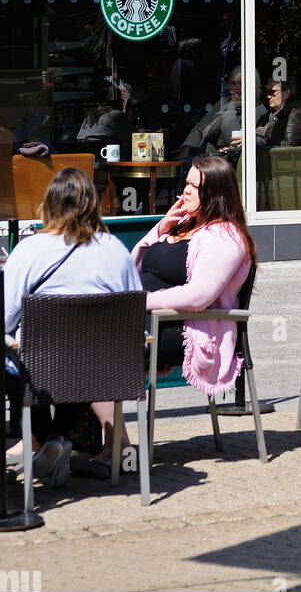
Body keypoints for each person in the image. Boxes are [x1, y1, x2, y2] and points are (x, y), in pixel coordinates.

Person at [3, 167, 143, 487]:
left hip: (38, 371)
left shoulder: (29, 250)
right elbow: (134, 313)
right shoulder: (114, 250)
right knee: (84, 357)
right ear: (93, 204)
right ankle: (57, 438)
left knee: (18, 356)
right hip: (101, 372)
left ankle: (40, 438)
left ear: (49, 204)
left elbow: (6, 316)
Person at [131, 155, 256, 395]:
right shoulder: (183, 224)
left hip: (185, 327)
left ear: (215, 195)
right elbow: (131, 267)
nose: (185, 191)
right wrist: (161, 228)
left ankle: (90, 430)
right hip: (148, 319)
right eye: (186, 184)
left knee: (95, 345)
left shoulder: (224, 237)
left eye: (193, 186)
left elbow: (198, 296)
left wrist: (140, 301)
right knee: (82, 337)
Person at [257, 77, 301, 148]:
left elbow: (288, 146)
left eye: (272, 92)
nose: (268, 96)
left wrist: (255, 141)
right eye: (267, 92)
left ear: (286, 93)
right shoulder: (265, 116)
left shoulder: (293, 114)